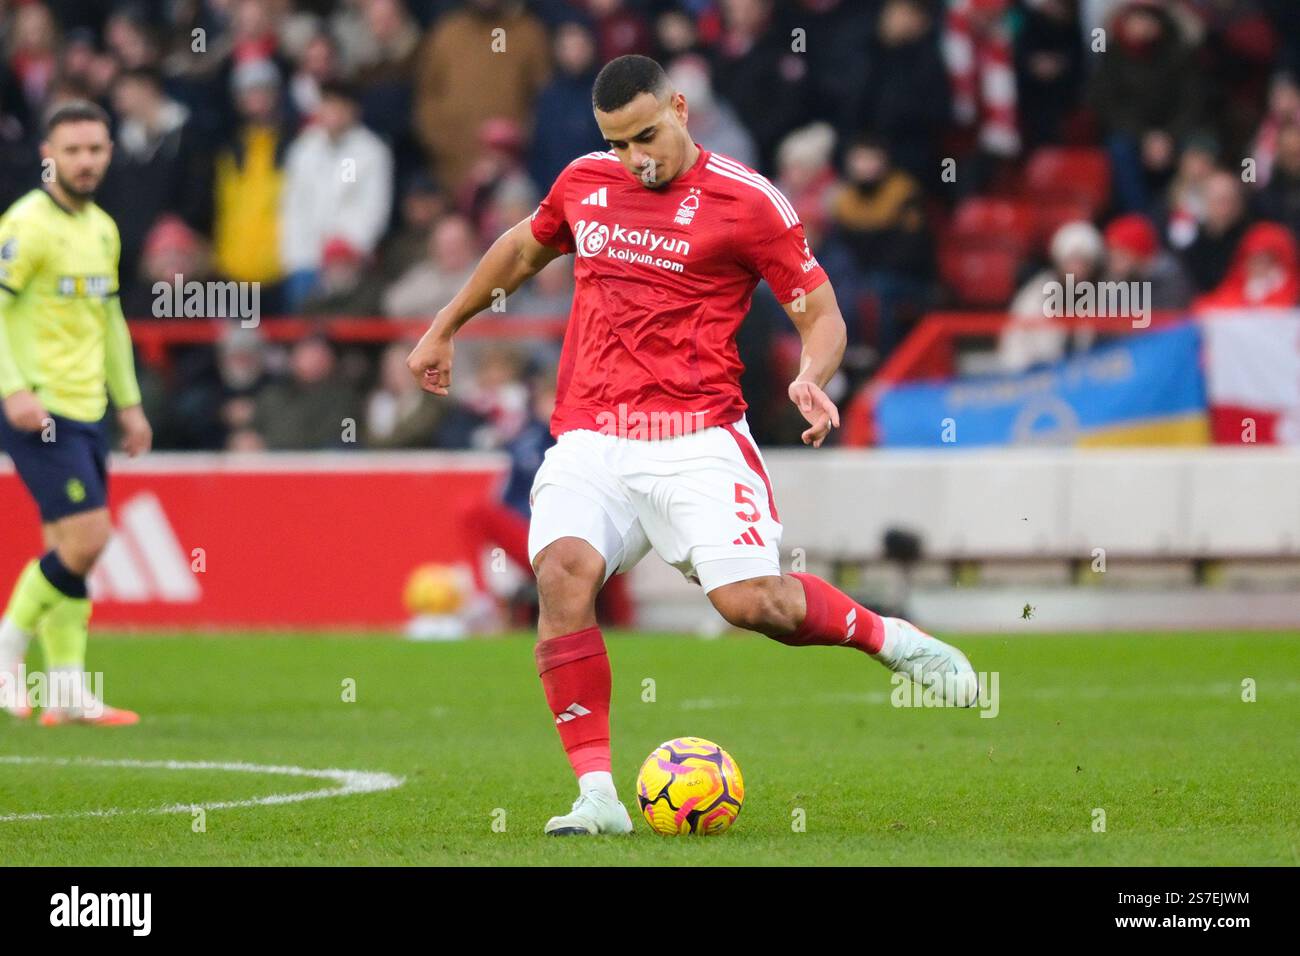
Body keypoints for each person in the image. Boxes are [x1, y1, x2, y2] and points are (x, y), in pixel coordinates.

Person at [405, 55, 978, 837]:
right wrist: (444, 325)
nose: (636, 158)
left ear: (679, 107)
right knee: (562, 574)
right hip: (592, 435)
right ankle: (598, 795)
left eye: (647, 135)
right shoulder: (583, 182)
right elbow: (521, 248)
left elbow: (821, 313)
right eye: (618, 144)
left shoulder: (748, 202)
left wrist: (814, 375)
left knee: (753, 605)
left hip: (696, 436)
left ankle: (891, 640)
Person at [0, 101, 151, 725]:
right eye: (73, 150)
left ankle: (66, 689)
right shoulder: (25, 225)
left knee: (66, 546)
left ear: (109, 153)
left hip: (88, 407)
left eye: (96, 149)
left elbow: (109, 319)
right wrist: (13, 387)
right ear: (48, 156)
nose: (86, 161)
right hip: (38, 406)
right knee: (91, 538)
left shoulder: (103, 229)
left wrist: (131, 403)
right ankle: (8, 649)